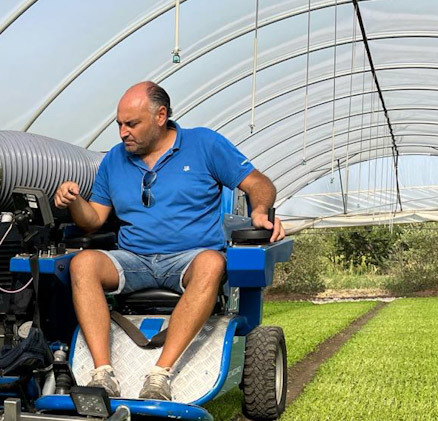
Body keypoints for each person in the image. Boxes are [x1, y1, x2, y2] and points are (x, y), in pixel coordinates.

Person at [53, 81, 284, 401]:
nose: (123, 133)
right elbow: (93, 220)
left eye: (132, 124)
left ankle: (159, 375)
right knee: (83, 263)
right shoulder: (113, 161)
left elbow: (258, 183)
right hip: (133, 259)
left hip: (189, 258)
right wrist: (75, 200)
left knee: (212, 263)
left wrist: (260, 210)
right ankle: (102, 373)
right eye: (119, 124)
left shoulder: (204, 144)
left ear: (160, 116)